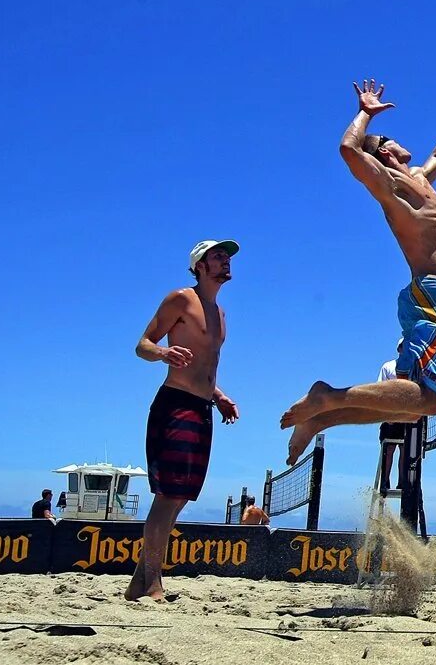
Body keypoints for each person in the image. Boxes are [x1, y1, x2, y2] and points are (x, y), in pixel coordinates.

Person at [281, 78, 436, 464]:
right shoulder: (390, 185)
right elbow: (348, 149)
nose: (402, 141)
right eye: (389, 138)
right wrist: (365, 114)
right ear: (385, 153)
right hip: (433, 293)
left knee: (412, 407)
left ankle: (323, 418)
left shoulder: (419, 178)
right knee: (431, 400)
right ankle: (328, 396)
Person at [126, 239, 242, 602]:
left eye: (226, 257)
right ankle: (153, 583)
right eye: (218, 257)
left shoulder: (220, 314)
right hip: (174, 404)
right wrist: (163, 352)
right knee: (167, 496)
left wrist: (219, 396)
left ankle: (138, 582)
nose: (225, 262)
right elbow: (142, 344)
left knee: (179, 499)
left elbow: (206, 365)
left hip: (202, 408)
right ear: (200, 266)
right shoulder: (181, 299)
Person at [377, 341, 410, 495]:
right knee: (388, 449)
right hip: (390, 414)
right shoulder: (388, 366)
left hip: (407, 416)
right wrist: (385, 414)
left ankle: (402, 482)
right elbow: (379, 391)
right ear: (399, 349)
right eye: (404, 345)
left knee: (406, 450)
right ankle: (385, 481)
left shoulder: (416, 367)